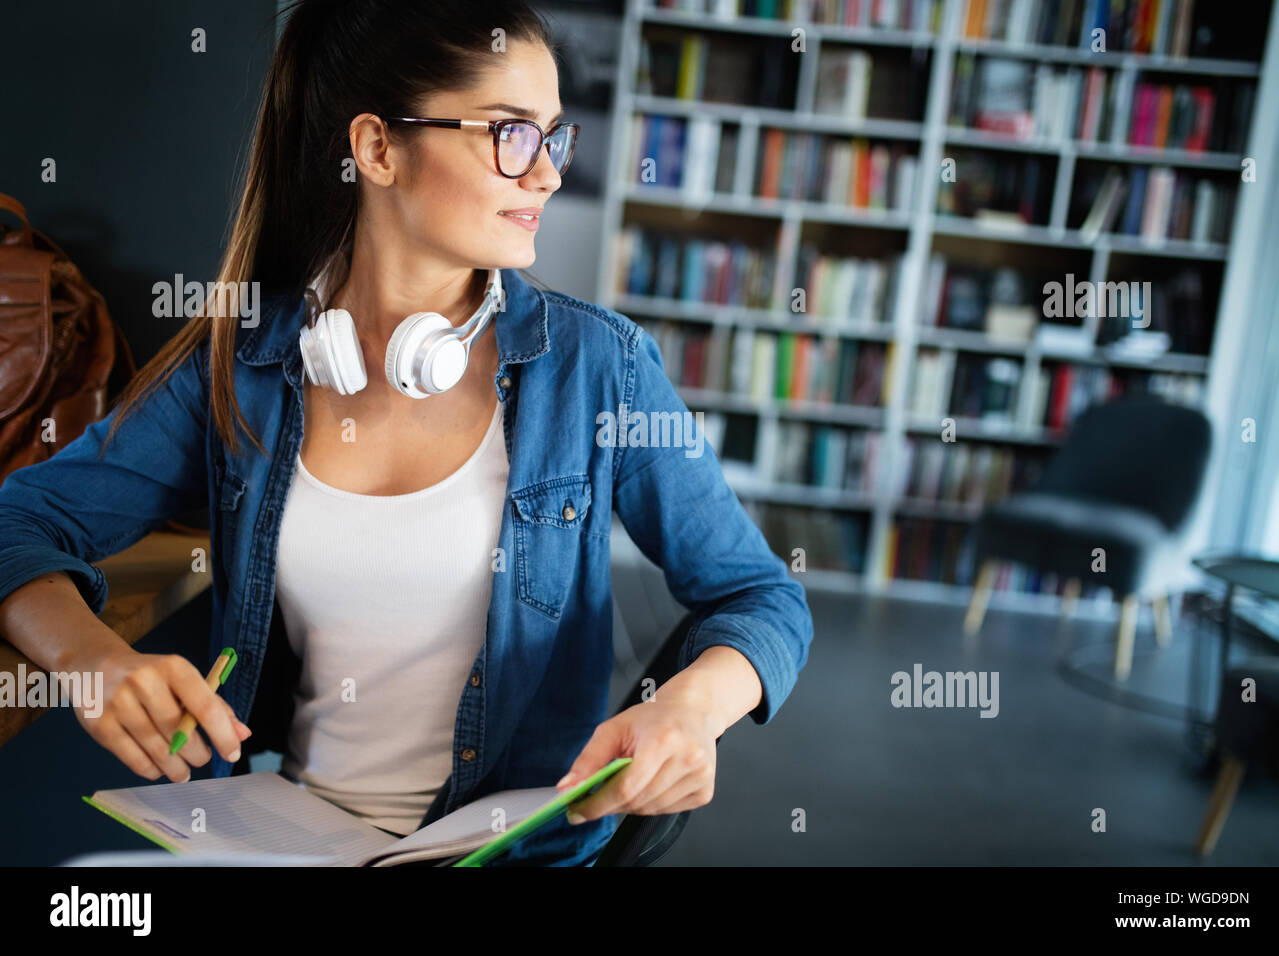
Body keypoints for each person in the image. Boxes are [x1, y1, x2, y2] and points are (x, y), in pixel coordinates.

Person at [0, 0, 814, 866]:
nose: (546, 176)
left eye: (552, 137)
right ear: (378, 149)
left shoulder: (597, 368)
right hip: (292, 841)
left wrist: (689, 710)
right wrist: (91, 663)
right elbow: (20, 521)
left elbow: (762, 596)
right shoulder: (243, 362)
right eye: (509, 134)